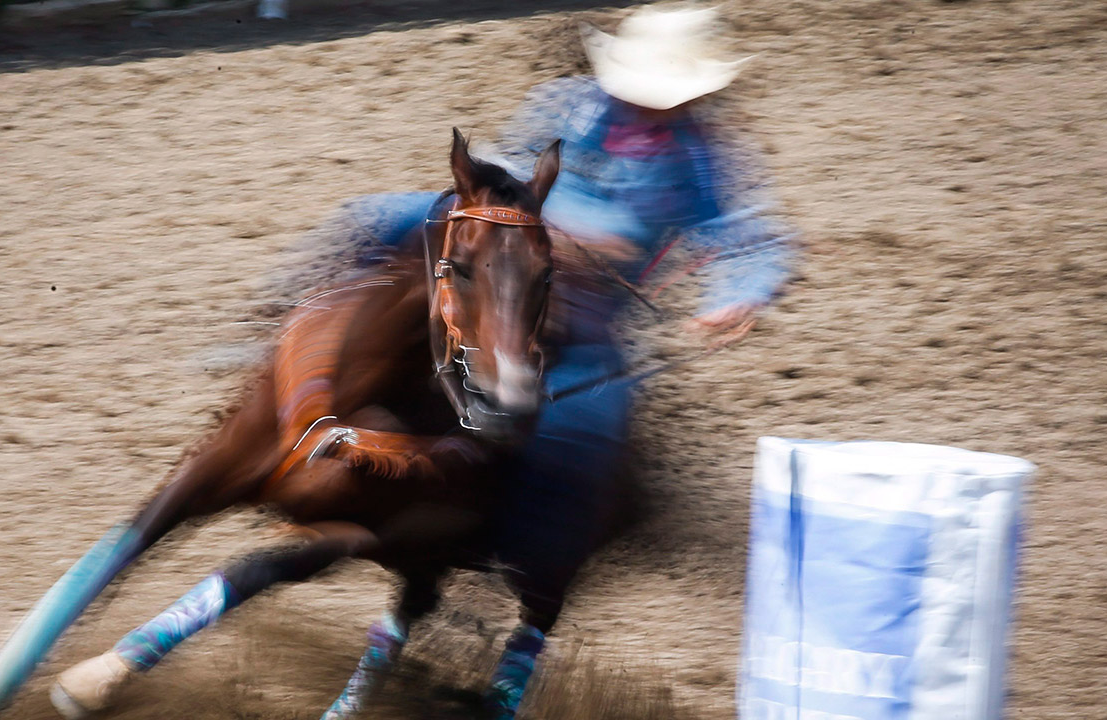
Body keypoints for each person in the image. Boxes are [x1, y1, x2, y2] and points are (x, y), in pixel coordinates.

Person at [328, 5, 796, 717]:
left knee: (582, 439)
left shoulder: (705, 157)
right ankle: (296, 346)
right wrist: (552, 224)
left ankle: (517, 579)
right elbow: (507, 164)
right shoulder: (572, 106)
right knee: (376, 219)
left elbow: (753, 240)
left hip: (586, 326)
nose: (652, 103)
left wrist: (737, 297)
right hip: (507, 265)